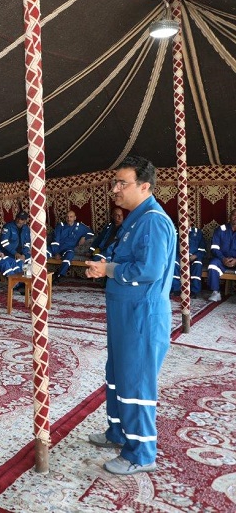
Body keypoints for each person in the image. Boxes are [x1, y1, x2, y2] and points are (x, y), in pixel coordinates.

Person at [84, 156, 175, 475]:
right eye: (114, 182)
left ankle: (141, 453)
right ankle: (118, 433)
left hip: (142, 317)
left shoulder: (153, 221)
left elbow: (149, 270)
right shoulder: (135, 219)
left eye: (123, 183)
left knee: (135, 382)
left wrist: (109, 268)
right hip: (126, 314)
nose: (115, 189)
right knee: (118, 375)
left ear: (145, 186)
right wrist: (105, 265)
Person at [50, 210, 94, 281]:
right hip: (56, 248)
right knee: (42, 253)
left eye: (71, 217)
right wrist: (56, 253)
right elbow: (55, 241)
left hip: (68, 249)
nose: (69, 219)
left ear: (75, 218)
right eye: (67, 217)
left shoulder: (80, 226)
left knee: (70, 254)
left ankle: (59, 276)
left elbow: (91, 233)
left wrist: (84, 237)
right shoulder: (60, 226)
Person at [207, 209, 236, 302]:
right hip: (222, 259)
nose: (235, 218)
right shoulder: (221, 229)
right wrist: (223, 259)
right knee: (212, 264)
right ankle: (216, 292)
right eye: (234, 215)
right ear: (230, 216)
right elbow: (214, 248)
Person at [170, 224, 206, 298]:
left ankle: (194, 291)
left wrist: (195, 256)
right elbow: (173, 248)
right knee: (174, 262)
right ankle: (176, 289)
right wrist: (182, 256)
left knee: (198, 263)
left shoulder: (197, 232)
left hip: (194, 257)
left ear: (190, 223)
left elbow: (203, 249)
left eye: (187, 220)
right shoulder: (175, 232)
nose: (185, 222)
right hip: (180, 256)